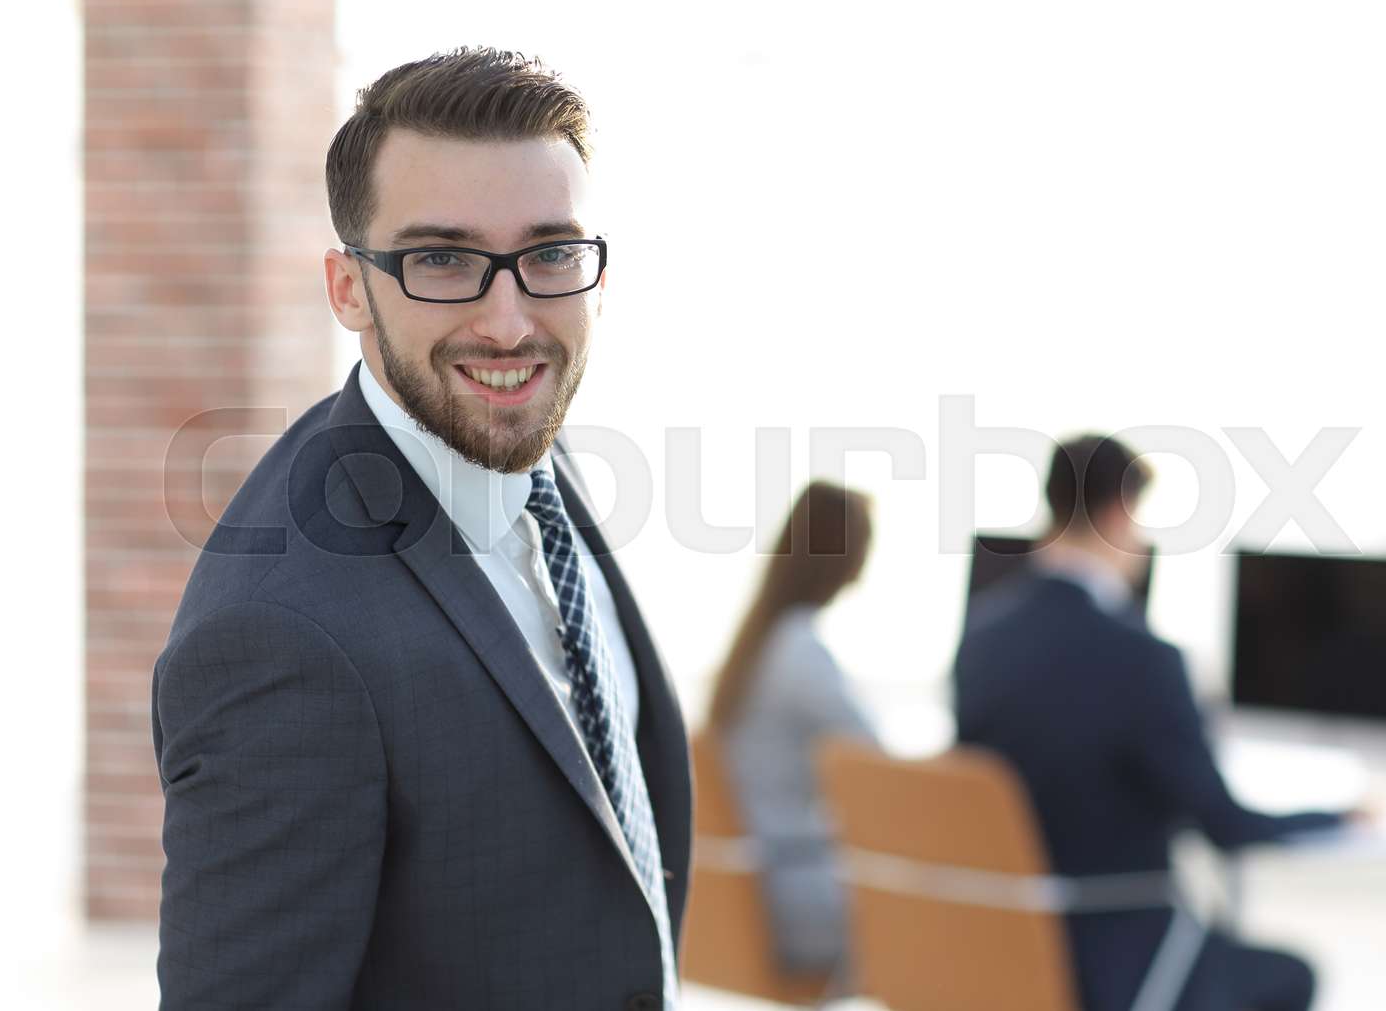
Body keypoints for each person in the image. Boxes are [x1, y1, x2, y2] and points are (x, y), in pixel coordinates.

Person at [151, 49, 691, 1010]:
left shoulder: (521, 454)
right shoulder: (282, 634)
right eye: (442, 259)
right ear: (348, 288)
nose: (509, 321)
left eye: (551, 254)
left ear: (596, 271)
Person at [954, 434, 1353, 1011]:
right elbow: (1227, 827)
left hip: (1003, 953)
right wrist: (1338, 815)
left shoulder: (980, 641)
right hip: (1120, 963)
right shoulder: (1144, 660)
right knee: (1291, 975)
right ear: (1121, 514)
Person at [707, 481, 878, 977]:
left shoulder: (755, 644)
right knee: (933, 921)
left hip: (755, 886)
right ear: (847, 558)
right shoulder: (800, 651)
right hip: (794, 897)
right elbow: (880, 768)